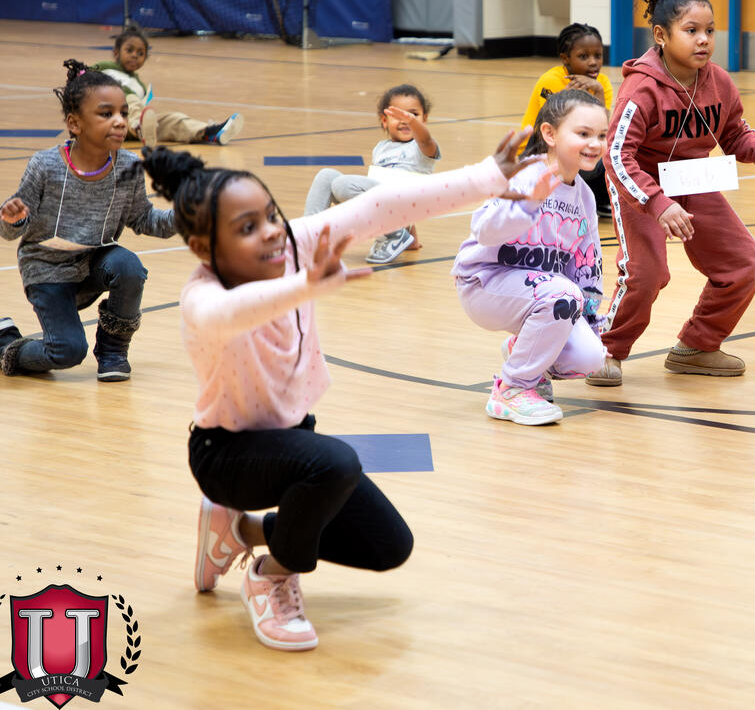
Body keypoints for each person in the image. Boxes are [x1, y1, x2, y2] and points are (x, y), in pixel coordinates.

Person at [150, 128, 540, 651]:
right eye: (247, 227)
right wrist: (302, 287)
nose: (271, 232)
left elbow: (381, 206)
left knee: (387, 545)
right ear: (203, 248)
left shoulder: (295, 243)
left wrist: (486, 176)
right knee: (335, 463)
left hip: (295, 443)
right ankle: (270, 577)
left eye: (271, 215)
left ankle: (238, 532)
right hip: (227, 458)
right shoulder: (202, 296)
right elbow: (229, 314)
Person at [586, 0, 755, 387]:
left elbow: (734, 135)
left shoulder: (720, 82)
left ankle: (696, 347)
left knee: (742, 262)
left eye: (710, 30)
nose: (704, 40)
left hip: (692, 180)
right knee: (647, 274)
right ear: (661, 35)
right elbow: (617, 156)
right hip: (641, 188)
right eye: (691, 30)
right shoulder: (641, 89)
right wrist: (658, 203)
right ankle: (605, 350)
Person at [0, 60, 176, 382]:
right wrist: (13, 221)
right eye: (106, 114)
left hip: (94, 261)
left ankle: (113, 352)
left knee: (128, 267)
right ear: (75, 123)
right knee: (67, 352)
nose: (120, 121)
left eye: (123, 113)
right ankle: (5, 346)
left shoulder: (129, 166)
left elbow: (144, 218)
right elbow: (8, 231)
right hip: (47, 270)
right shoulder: (45, 165)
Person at [454, 90, 608, 425]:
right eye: (583, 133)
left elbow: (586, 265)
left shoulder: (584, 196)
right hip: (484, 285)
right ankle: (511, 390)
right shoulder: (522, 175)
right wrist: (527, 206)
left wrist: (592, 319)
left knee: (590, 357)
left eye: (601, 135)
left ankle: (523, 352)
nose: (594, 144)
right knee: (562, 295)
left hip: (541, 294)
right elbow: (484, 230)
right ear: (550, 134)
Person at [304, 84, 440, 264]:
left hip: (402, 202)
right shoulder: (381, 148)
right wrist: (412, 238)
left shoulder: (422, 148)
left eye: (413, 114)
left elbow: (425, 139)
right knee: (326, 175)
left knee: (342, 185)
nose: (405, 120)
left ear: (425, 119)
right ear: (384, 120)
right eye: (397, 115)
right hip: (389, 206)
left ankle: (394, 234)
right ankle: (309, 237)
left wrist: (414, 123)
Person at [519, 23, 615, 216]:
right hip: (540, 152)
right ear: (565, 58)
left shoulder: (602, 83)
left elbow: (602, 128)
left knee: (612, 149)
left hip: (573, 150)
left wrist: (597, 92)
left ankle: (598, 197)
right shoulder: (552, 80)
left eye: (598, 55)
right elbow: (557, 128)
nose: (593, 62)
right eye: (583, 56)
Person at [93, 26, 243, 146]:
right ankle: (139, 126)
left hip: (126, 128)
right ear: (116, 53)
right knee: (129, 99)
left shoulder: (141, 88)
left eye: (140, 53)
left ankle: (207, 132)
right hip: (105, 120)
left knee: (170, 119)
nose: (134, 55)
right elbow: (83, 78)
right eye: (129, 50)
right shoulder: (105, 67)